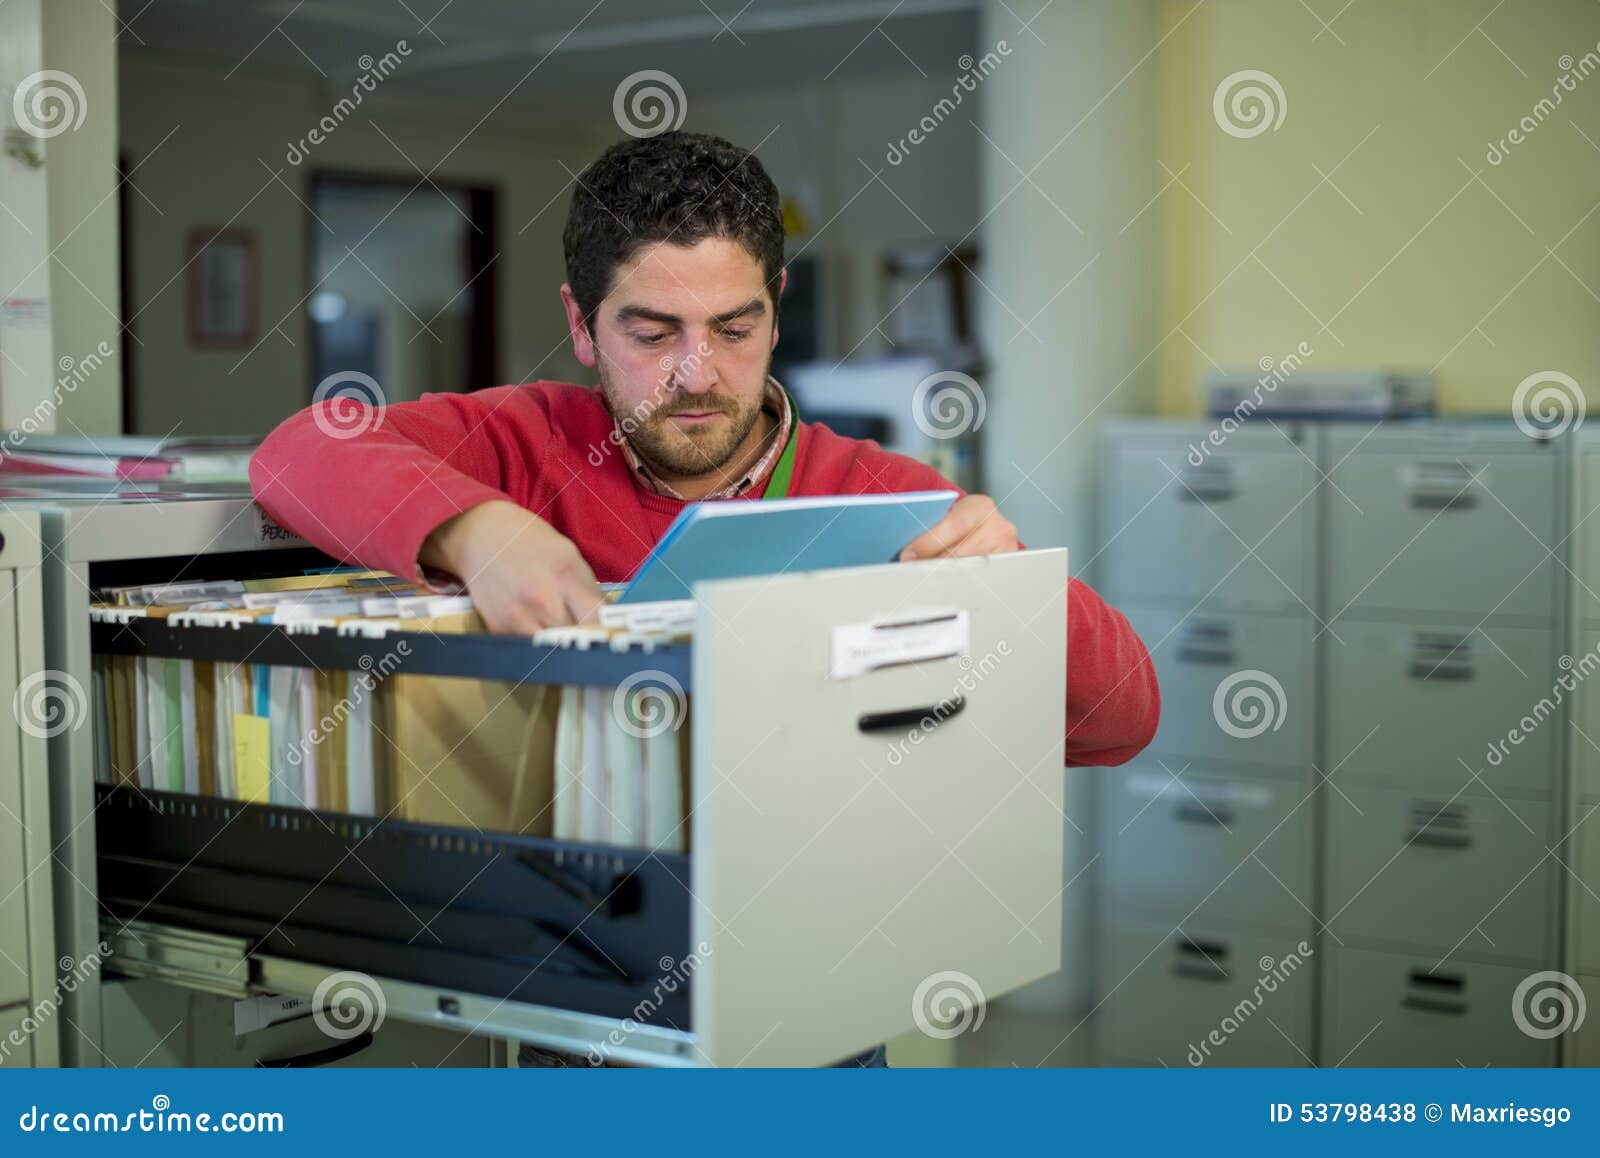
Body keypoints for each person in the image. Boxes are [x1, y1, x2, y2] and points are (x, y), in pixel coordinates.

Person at [250, 130, 1160, 1068]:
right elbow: (300, 449)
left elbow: (1124, 717)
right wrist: (478, 530)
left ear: (776, 312)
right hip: (578, 1010)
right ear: (581, 323)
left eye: (734, 329)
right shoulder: (520, 444)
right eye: (651, 334)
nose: (697, 374)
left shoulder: (874, 494)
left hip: (815, 1023)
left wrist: (1012, 595)